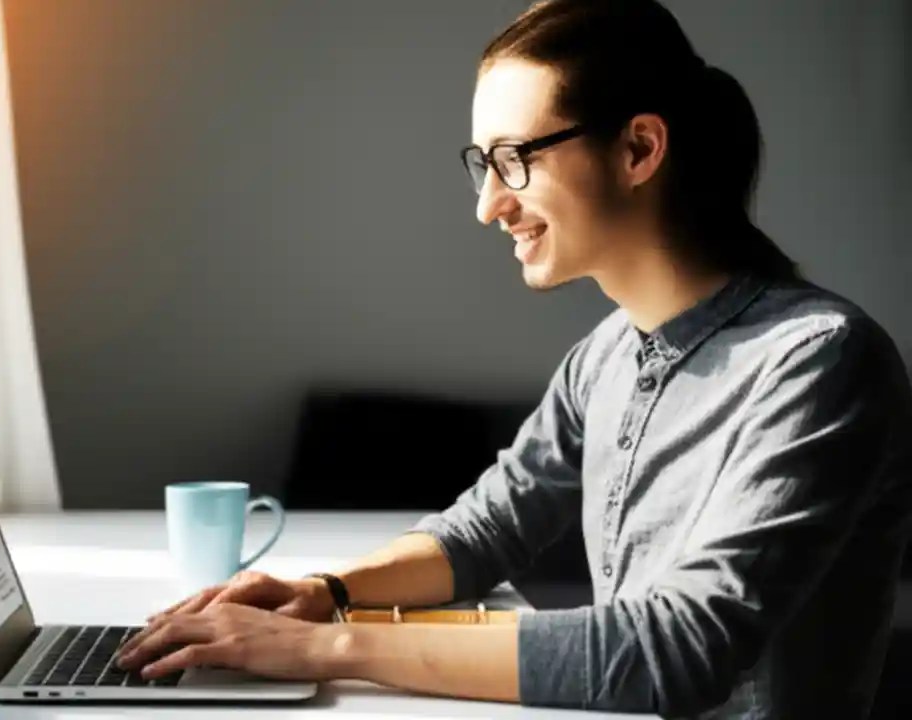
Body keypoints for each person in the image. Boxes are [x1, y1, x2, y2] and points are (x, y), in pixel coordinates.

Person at [114, 0, 912, 716]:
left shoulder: (818, 364)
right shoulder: (603, 357)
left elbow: (679, 651)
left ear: (638, 149)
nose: (488, 203)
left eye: (513, 160)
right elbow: (483, 533)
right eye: (481, 164)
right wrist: (322, 595)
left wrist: (325, 650)